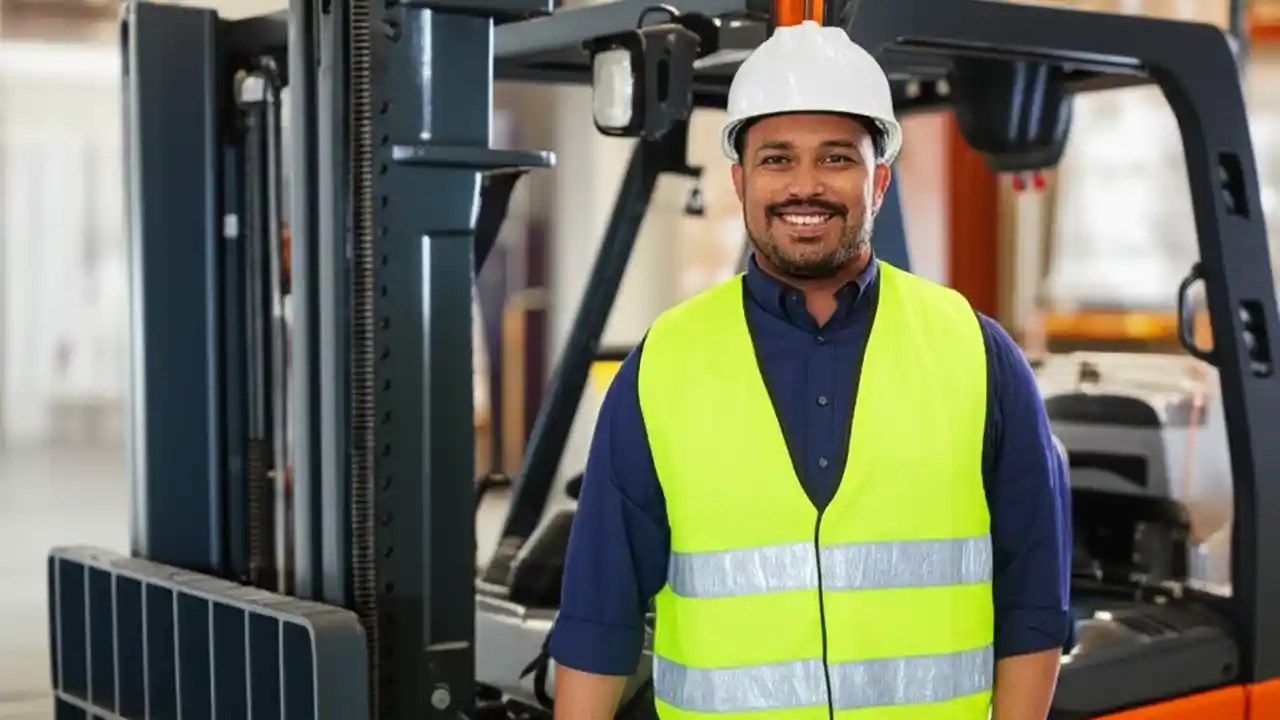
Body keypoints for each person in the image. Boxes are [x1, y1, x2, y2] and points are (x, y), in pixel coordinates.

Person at [548, 20, 1072, 720]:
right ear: (739, 180)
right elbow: (597, 616)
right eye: (776, 160)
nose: (805, 186)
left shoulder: (979, 355)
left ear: (877, 178)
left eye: (835, 158)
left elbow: (1035, 600)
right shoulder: (664, 363)